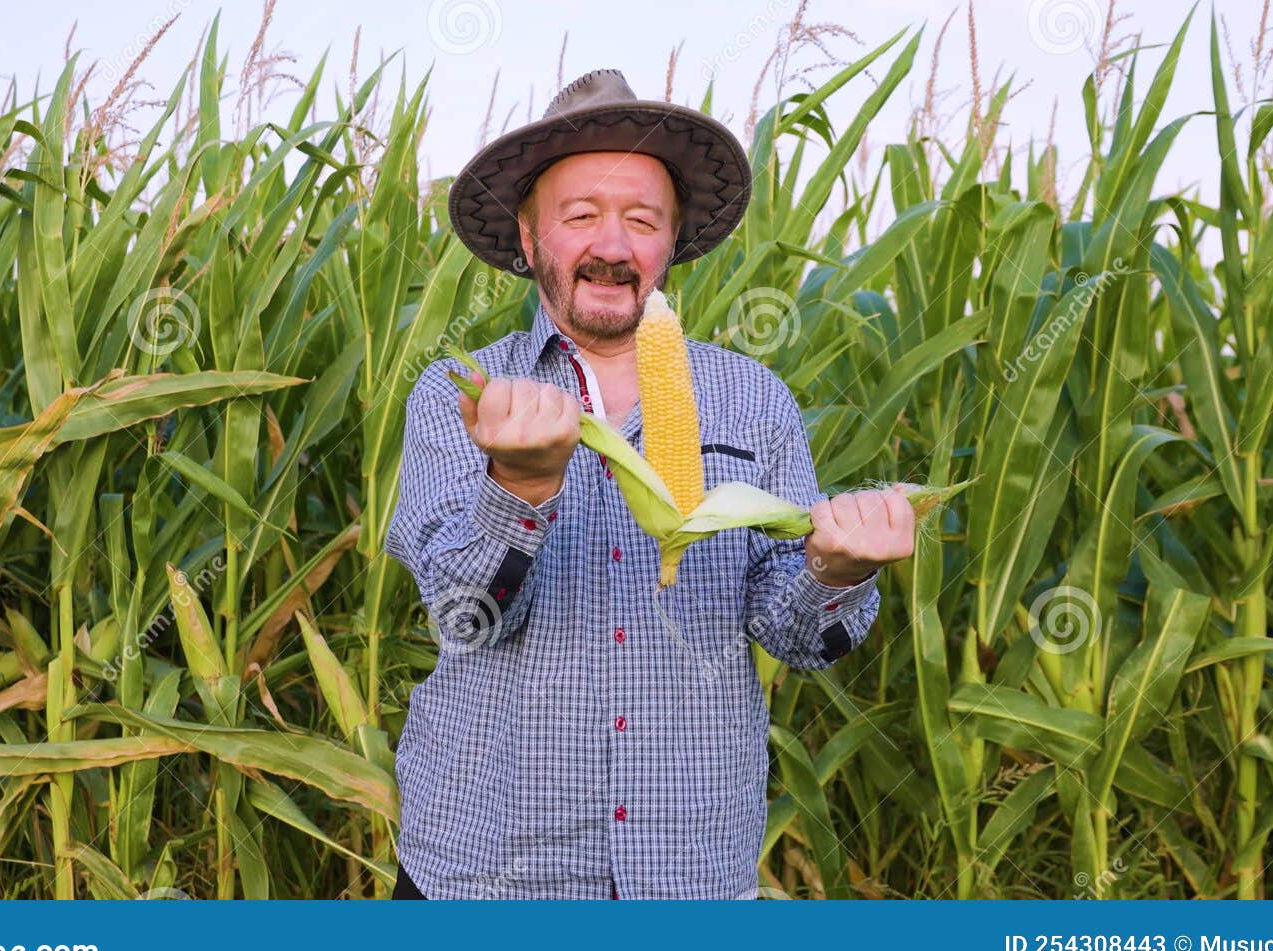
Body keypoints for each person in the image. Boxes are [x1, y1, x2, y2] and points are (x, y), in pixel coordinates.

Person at [384, 68, 916, 900]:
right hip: (488, 878)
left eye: (641, 220)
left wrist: (836, 572)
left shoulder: (753, 400)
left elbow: (796, 637)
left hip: (689, 877)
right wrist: (520, 489)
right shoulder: (462, 397)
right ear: (529, 241)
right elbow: (463, 616)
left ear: (670, 245)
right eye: (581, 216)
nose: (612, 244)